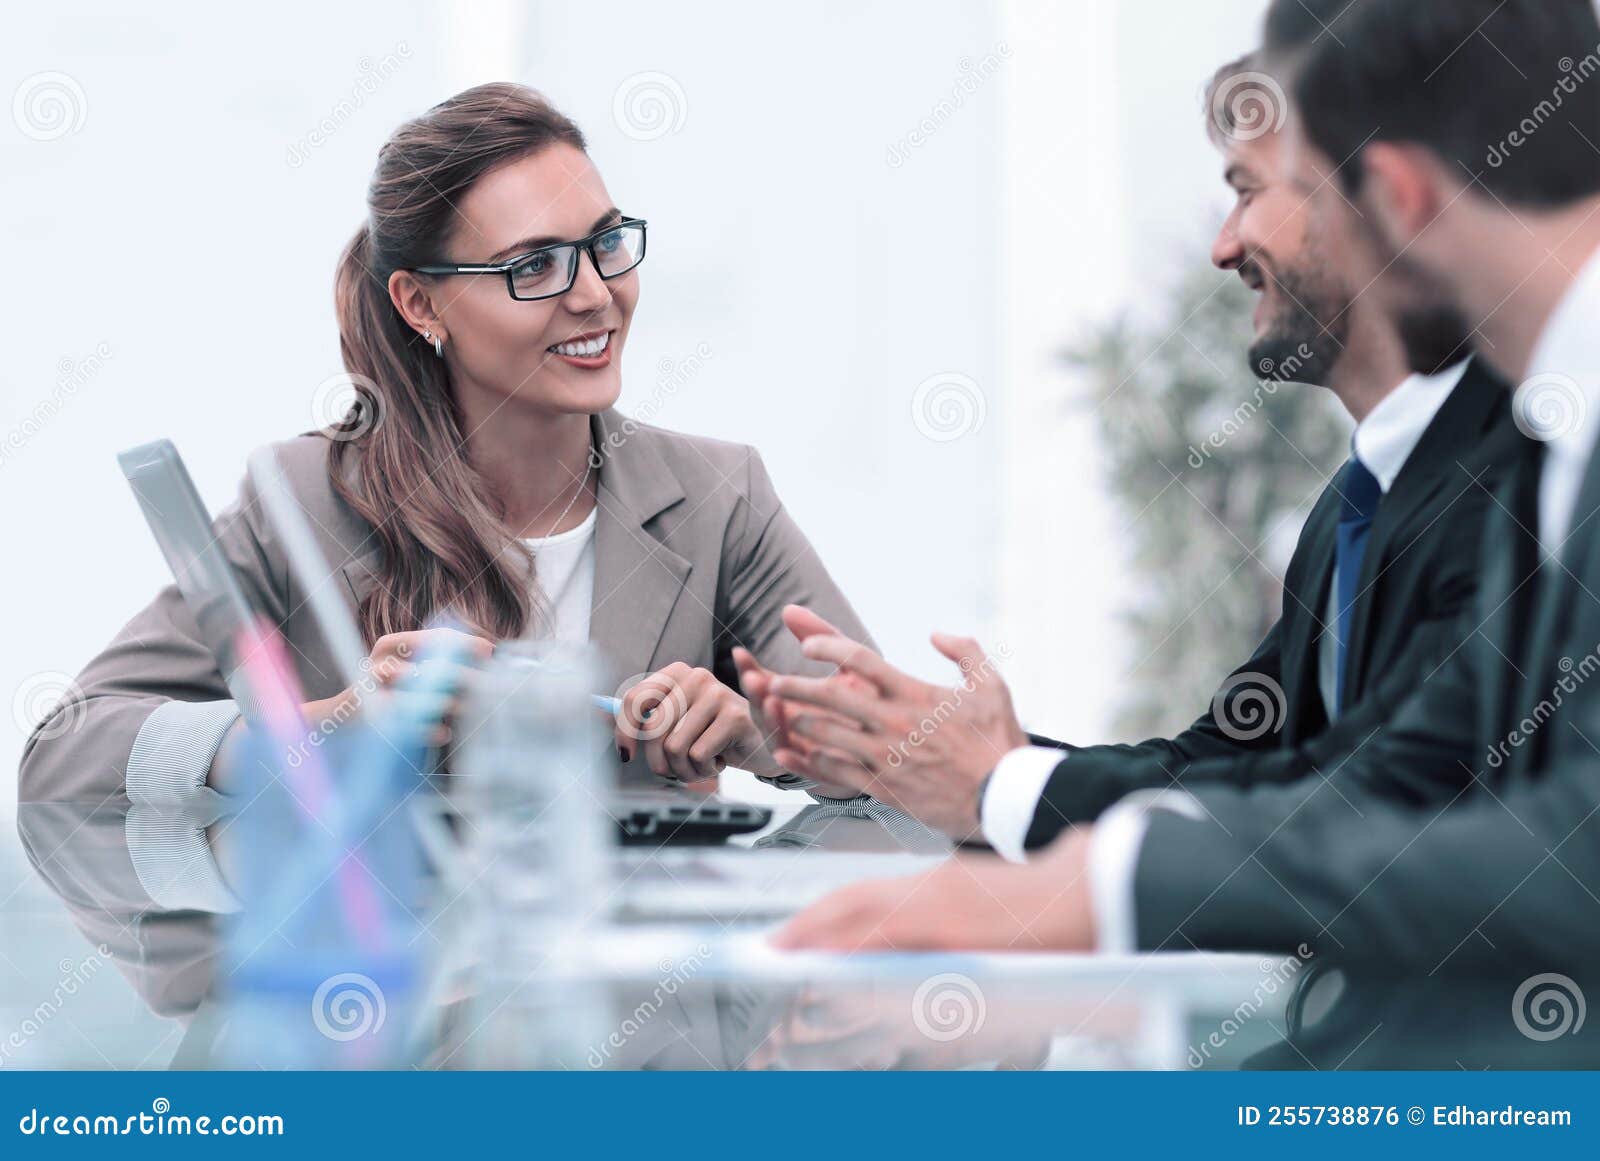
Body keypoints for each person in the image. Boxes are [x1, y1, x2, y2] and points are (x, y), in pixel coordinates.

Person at [771, 0, 1600, 977]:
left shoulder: (1518, 455)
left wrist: (1086, 868)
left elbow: (1531, 846)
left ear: (1396, 198)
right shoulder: (1531, 446)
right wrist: (1003, 790)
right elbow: (1374, 773)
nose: (1222, 247)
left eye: (1294, 195)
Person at [17, 83, 869, 809]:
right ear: (422, 306)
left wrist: (754, 732)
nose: (594, 295)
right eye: (531, 267)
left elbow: (896, 749)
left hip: (639, 995)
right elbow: (64, 754)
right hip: (395, 996)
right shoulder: (303, 499)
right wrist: (335, 724)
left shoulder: (719, 494)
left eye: (605, 244)